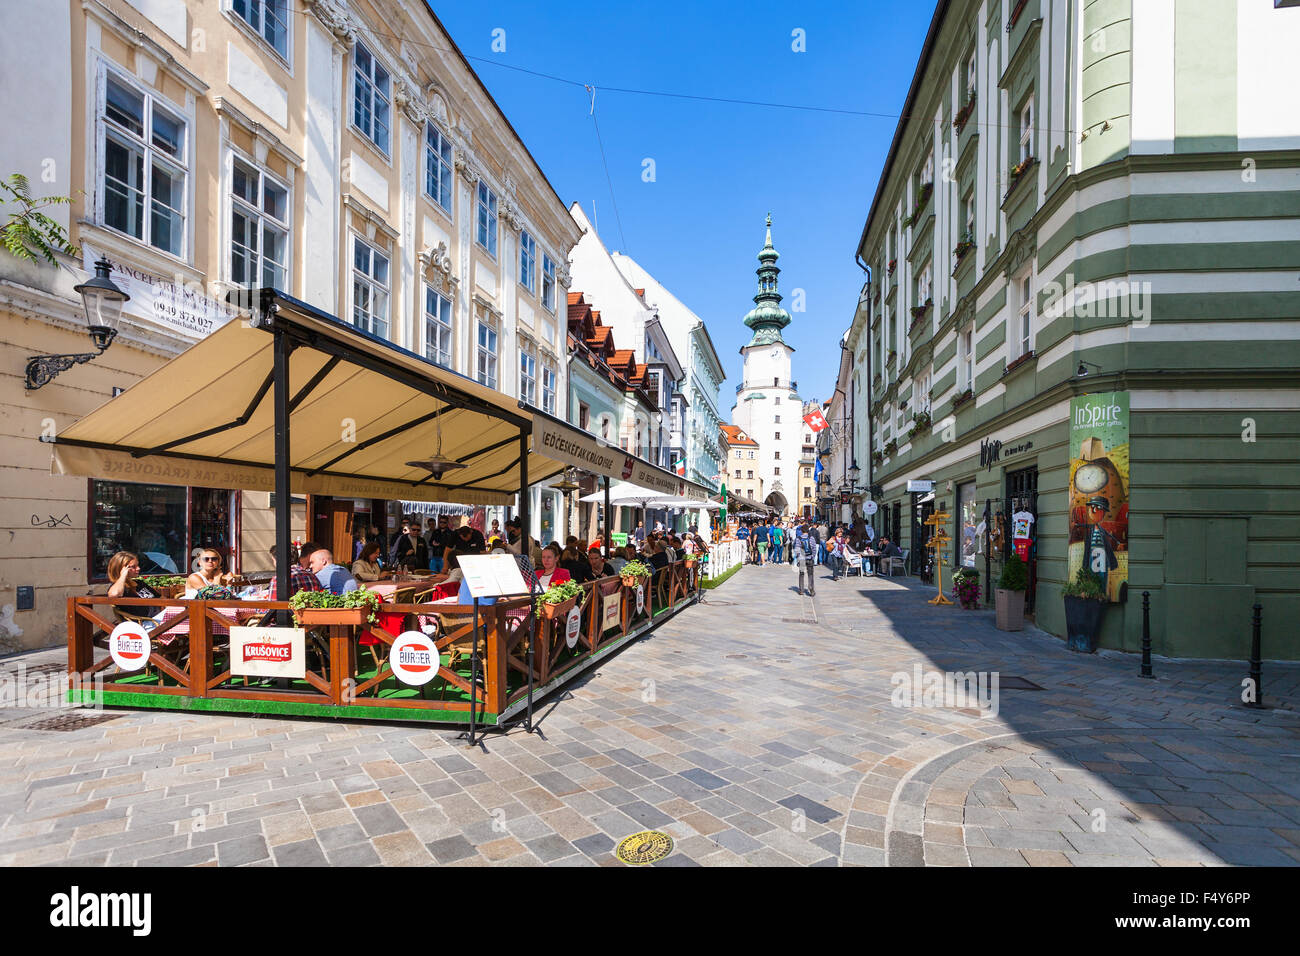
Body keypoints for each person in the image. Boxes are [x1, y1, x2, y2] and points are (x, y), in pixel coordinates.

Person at [792, 523, 816, 597]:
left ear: (801, 531)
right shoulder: (811, 538)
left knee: (801, 574)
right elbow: (814, 548)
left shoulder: (798, 538)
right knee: (810, 574)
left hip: (802, 559)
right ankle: (811, 590)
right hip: (809, 558)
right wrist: (813, 556)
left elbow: (797, 549)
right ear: (808, 530)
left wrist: (798, 557)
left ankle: (801, 590)